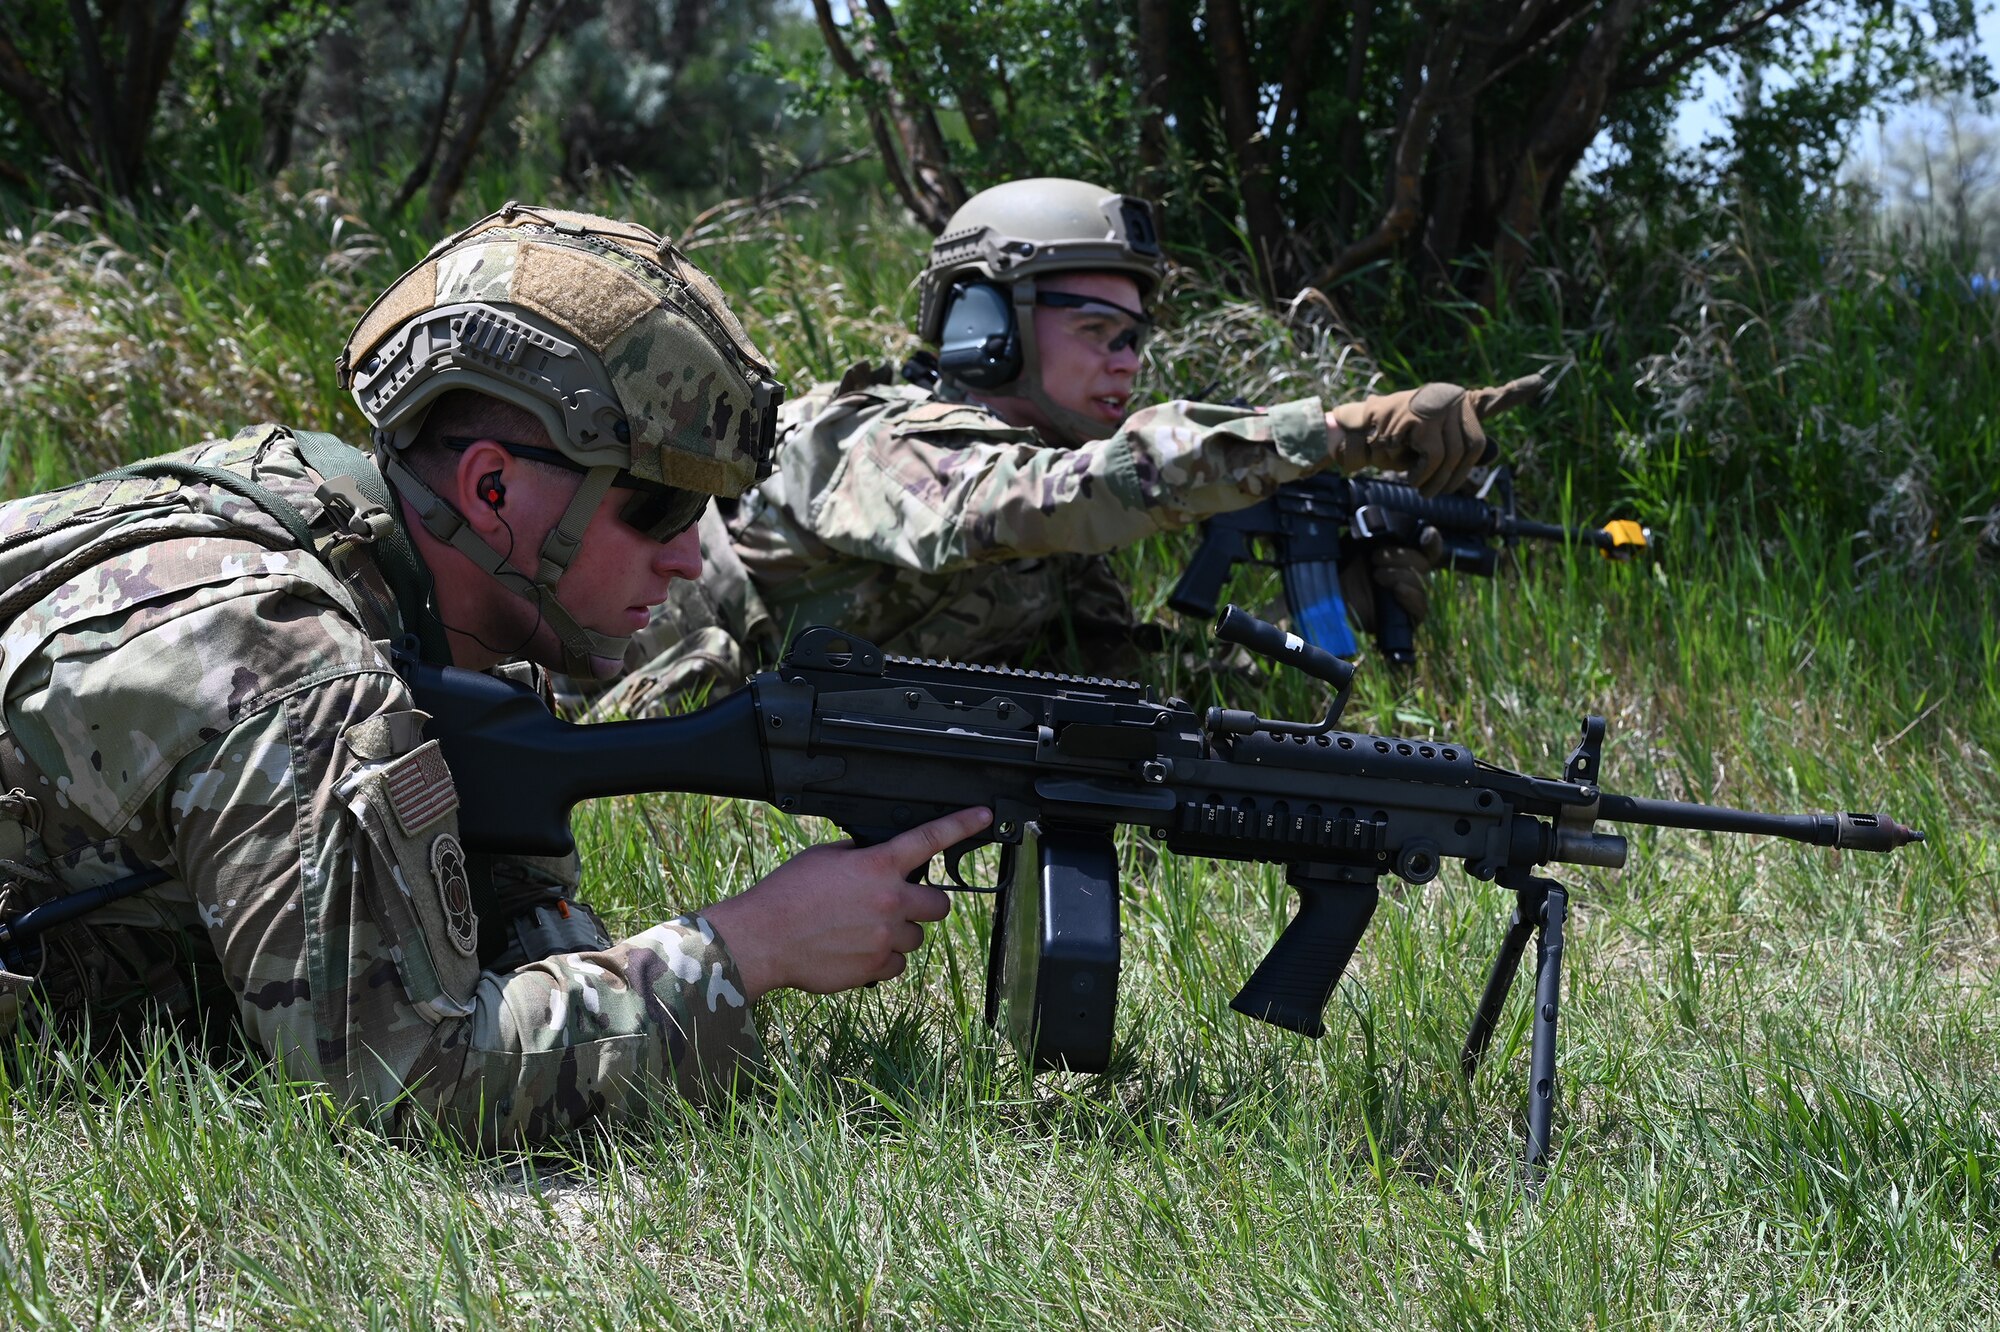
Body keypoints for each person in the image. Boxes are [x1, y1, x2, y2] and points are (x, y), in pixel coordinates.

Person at [0, 203, 987, 1145]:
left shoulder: (393, 578)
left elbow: (493, 932)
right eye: (660, 513)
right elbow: (403, 1084)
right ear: (490, 488)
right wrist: (748, 947)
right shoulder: (291, 668)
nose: (691, 561)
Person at [592, 177, 1542, 717]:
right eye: (1098, 329)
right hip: (624, 739)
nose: (1128, 360)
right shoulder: (869, 439)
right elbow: (1034, 498)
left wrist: (1324, 646)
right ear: (985, 323)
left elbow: (1120, 683)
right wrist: (1335, 432)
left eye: (1137, 335)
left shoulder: (1050, 501)